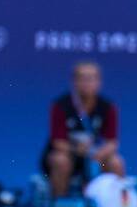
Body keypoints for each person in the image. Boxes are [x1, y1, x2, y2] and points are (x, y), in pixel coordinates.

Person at [41, 60, 125, 197]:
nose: (87, 83)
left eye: (92, 79)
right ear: (74, 82)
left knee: (116, 162)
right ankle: (60, 206)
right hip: (70, 157)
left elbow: (112, 142)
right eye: (83, 78)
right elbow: (58, 142)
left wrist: (99, 154)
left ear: (99, 82)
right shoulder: (61, 106)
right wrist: (77, 150)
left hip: (95, 158)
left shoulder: (108, 107)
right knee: (61, 161)